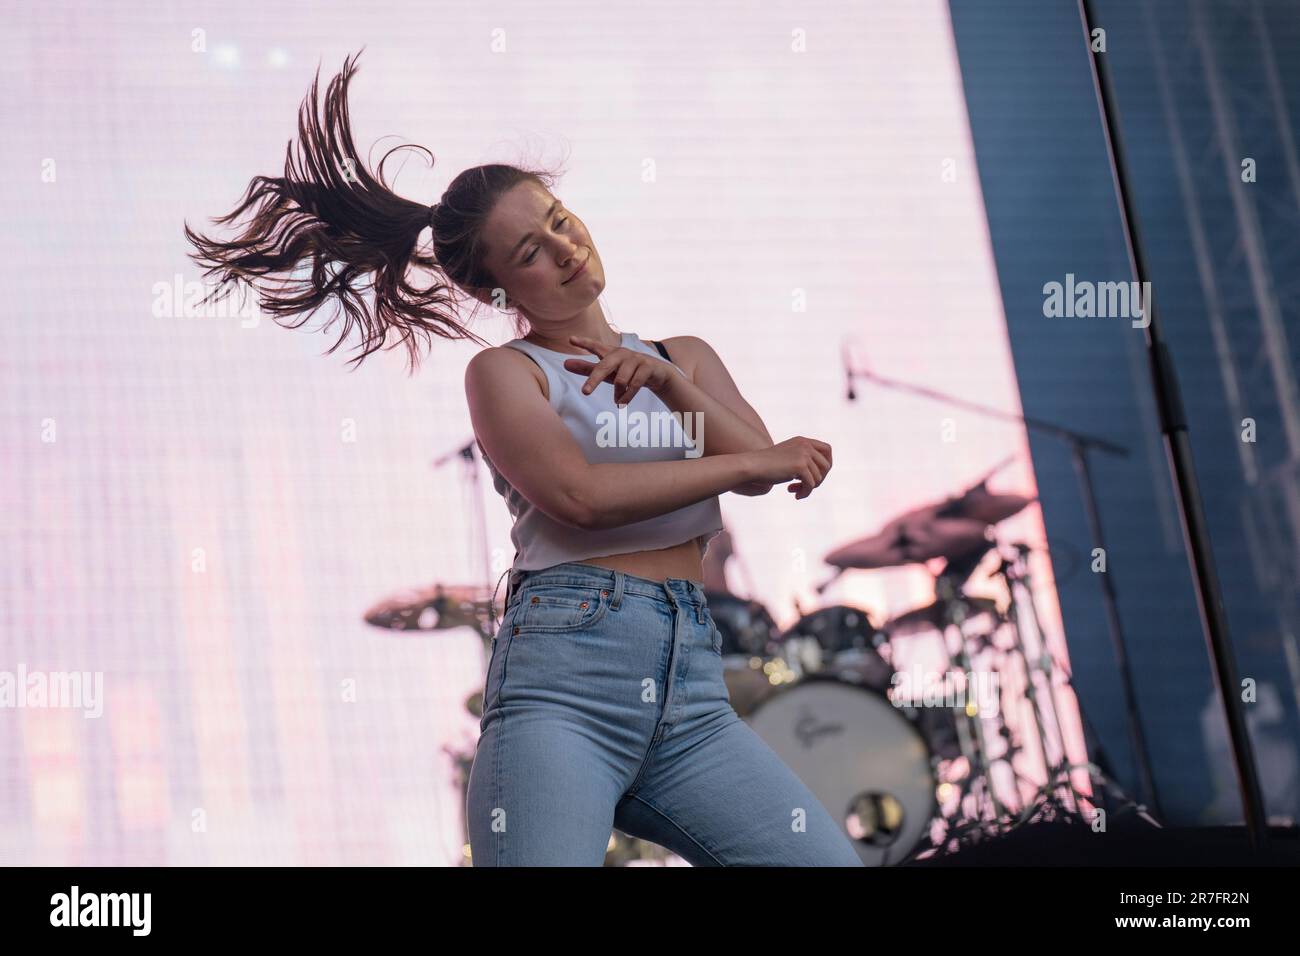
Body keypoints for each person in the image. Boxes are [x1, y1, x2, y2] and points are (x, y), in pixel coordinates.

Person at [185, 51, 861, 867]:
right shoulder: (506, 374)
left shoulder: (685, 354)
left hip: (691, 694)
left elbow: (768, 467)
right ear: (499, 293)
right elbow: (580, 496)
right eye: (531, 251)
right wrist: (739, 457)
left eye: (560, 221)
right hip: (565, 685)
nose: (563, 246)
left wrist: (675, 389)